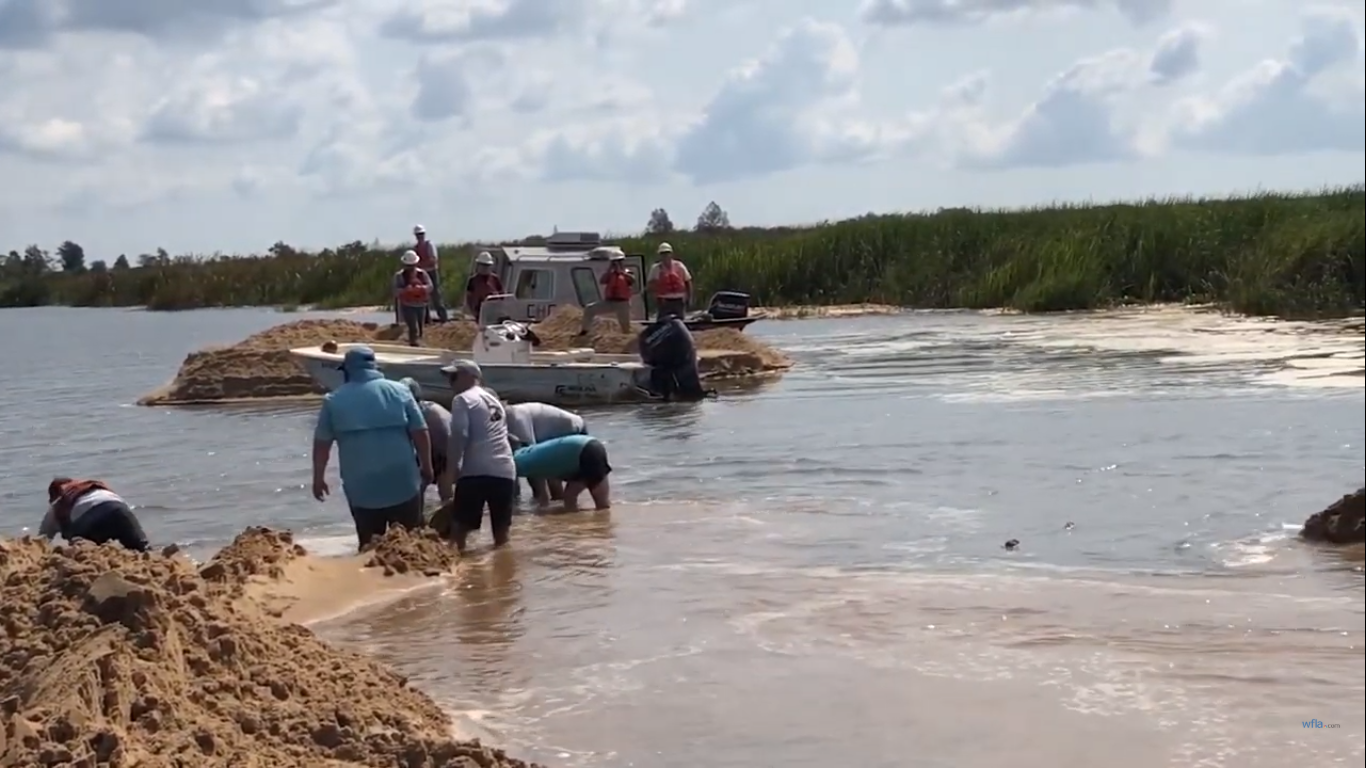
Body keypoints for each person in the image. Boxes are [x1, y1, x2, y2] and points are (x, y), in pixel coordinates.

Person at [312, 346, 433, 549]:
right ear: (374, 367)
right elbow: (420, 432)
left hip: (361, 487)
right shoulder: (400, 391)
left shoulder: (333, 400)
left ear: (347, 370)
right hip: (403, 481)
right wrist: (427, 467)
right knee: (410, 543)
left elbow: (322, 444)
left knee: (369, 545)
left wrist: (318, 478)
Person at [441, 359, 518, 552]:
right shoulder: (494, 400)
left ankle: (460, 569)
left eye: (454, 376)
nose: (450, 382)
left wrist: (450, 473)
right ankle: (503, 569)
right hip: (504, 470)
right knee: (502, 536)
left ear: (470, 376)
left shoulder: (462, 399)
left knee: (459, 532)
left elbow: (459, 434)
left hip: (476, 471)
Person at [505, 401, 588, 502]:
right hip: (551, 435)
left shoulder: (514, 416)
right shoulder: (503, 421)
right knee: (549, 478)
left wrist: (540, 494)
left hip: (573, 429)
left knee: (552, 479)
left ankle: (552, 505)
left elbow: (532, 455)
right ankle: (559, 505)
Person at [39, 477, 149, 551]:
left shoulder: (57, 504)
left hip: (90, 519)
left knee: (82, 553)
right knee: (143, 550)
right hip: (119, 509)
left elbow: (41, 541)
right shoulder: (93, 487)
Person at [513, 434, 613, 512]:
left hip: (585, 452)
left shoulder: (515, 463)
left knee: (600, 506)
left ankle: (578, 524)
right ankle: (581, 524)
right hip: (588, 443)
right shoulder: (526, 453)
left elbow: (543, 491)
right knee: (572, 497)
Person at [400, 377, 454, 503]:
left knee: (445, 487)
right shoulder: (402, 411)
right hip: (422, 450)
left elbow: (446, 439)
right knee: (418, 487)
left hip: (442, 450)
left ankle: (448, 508)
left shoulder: (433, 412)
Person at [578, 249, 635, 335]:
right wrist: (610, 270)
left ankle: (626, 335)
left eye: (618, 262)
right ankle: (585, 330)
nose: (616, 264)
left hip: (622, 303)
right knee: (589, 309)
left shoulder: (628, 272)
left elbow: (632, 280)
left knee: (625, 325)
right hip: (609, 302)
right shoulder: (610, 274)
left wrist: (621, 272)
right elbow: (602, 280)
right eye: (614, 262)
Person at [393, 250, 433, 346]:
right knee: (413, 327)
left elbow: (430, 286)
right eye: (408, 265)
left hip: (421, 304)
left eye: (412, 265)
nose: (410, 268)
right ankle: (413, 342)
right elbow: (395, 291)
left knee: (420, 326)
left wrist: (421, 288)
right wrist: (406, 290)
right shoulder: (399, 276)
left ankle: (418, 342)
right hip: (407, 305)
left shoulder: (422, 274)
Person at [412, 224, 449, 323]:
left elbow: (433, 260)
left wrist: (421, 264)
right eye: (418, 235)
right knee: (423, 296)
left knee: (436, 295)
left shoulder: (429, 245)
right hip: (421, 273)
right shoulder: (416, 248)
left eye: (421, 234)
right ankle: (426, 318)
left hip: (431, 272)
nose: (420, 237)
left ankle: (443, 317)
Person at [646, 242, 692, 319]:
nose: (665, 255)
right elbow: (651, 285)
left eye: (667, 253)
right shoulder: (656, 268)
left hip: (678, 300)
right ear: (660, 255)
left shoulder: (679, 266)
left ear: (671, 254)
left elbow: (688, 282)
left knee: (679, 320)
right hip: (663, 300)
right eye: (663, 253)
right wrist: (654, 298)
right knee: (663, 321)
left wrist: (689, 298)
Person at [464, 251, 504, 323]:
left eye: (487, 265)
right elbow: (469, 298)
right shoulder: (473, 280)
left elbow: (502, 295)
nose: (484, 268)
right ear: (478, 265)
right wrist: (473, 311)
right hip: (479, 312)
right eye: (482, 265)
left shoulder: (495, 279)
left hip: (494, 311)